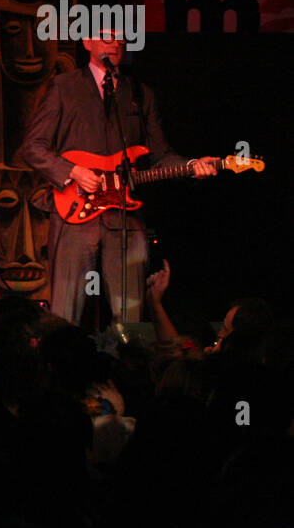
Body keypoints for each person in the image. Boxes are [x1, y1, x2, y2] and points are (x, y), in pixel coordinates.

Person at [20, 30, 218, 323]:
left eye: (121, 40)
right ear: (87, 43)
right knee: (65, 313)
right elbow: (33, 147)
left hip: (125, 217)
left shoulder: (140, 94)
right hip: (74, 211)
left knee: (130, 317)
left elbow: (159, 155)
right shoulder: (64, 87)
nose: (115, 44)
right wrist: (72, 171)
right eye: (106, 37)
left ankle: (127, 365)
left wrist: (191, 166)